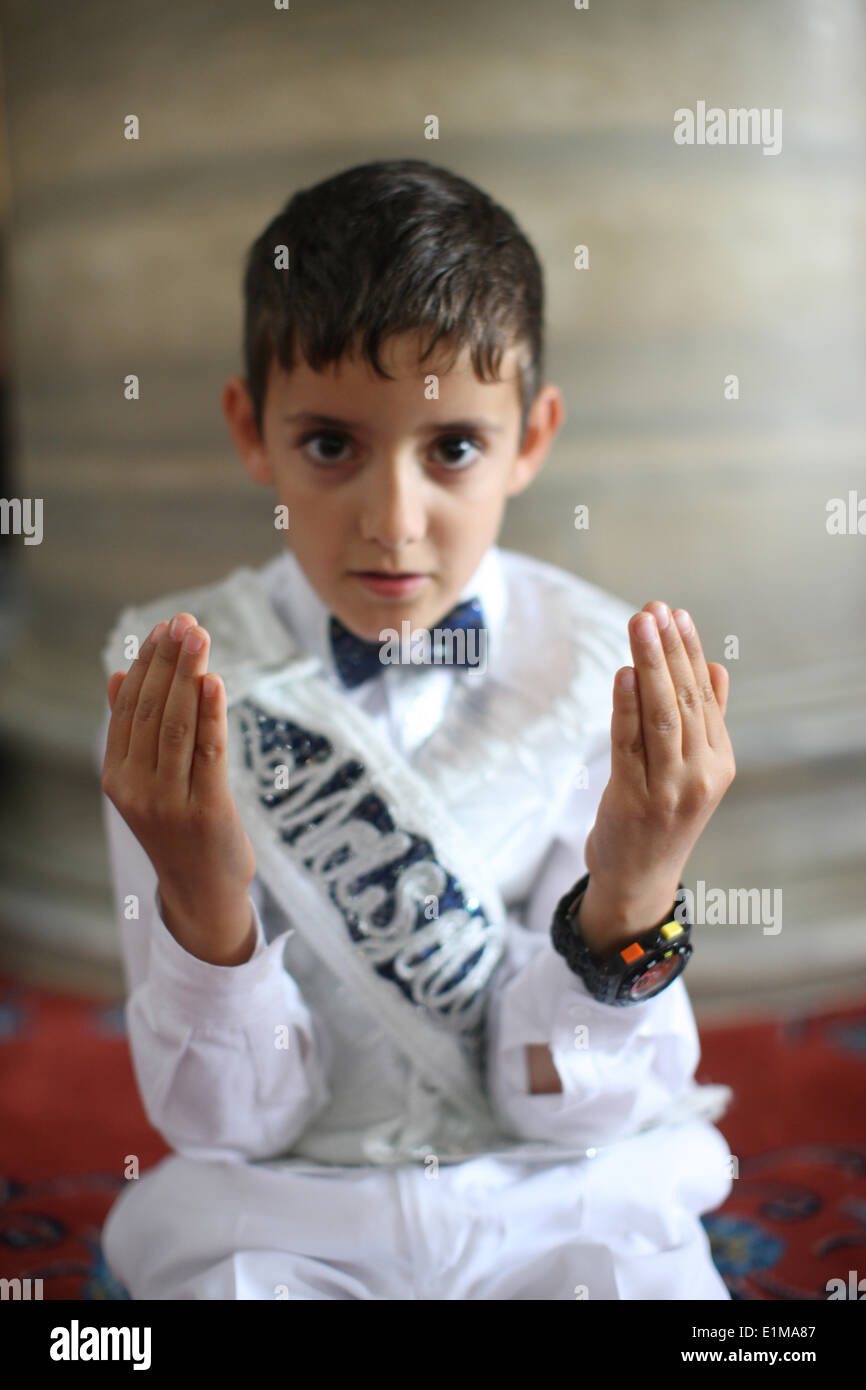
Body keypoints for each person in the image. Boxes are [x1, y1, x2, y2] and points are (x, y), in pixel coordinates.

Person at [95, 158, 737, 1300]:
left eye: (451, 447)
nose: (392, 523)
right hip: (290, 1208)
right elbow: (227, 1123)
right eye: (331, 445)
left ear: (530, 438)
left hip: (557, 1196)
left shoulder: (599, 669)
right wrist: (203, 904)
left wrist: (632, 888)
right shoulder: (174, 681)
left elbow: (570, 1108)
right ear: (253, 431)